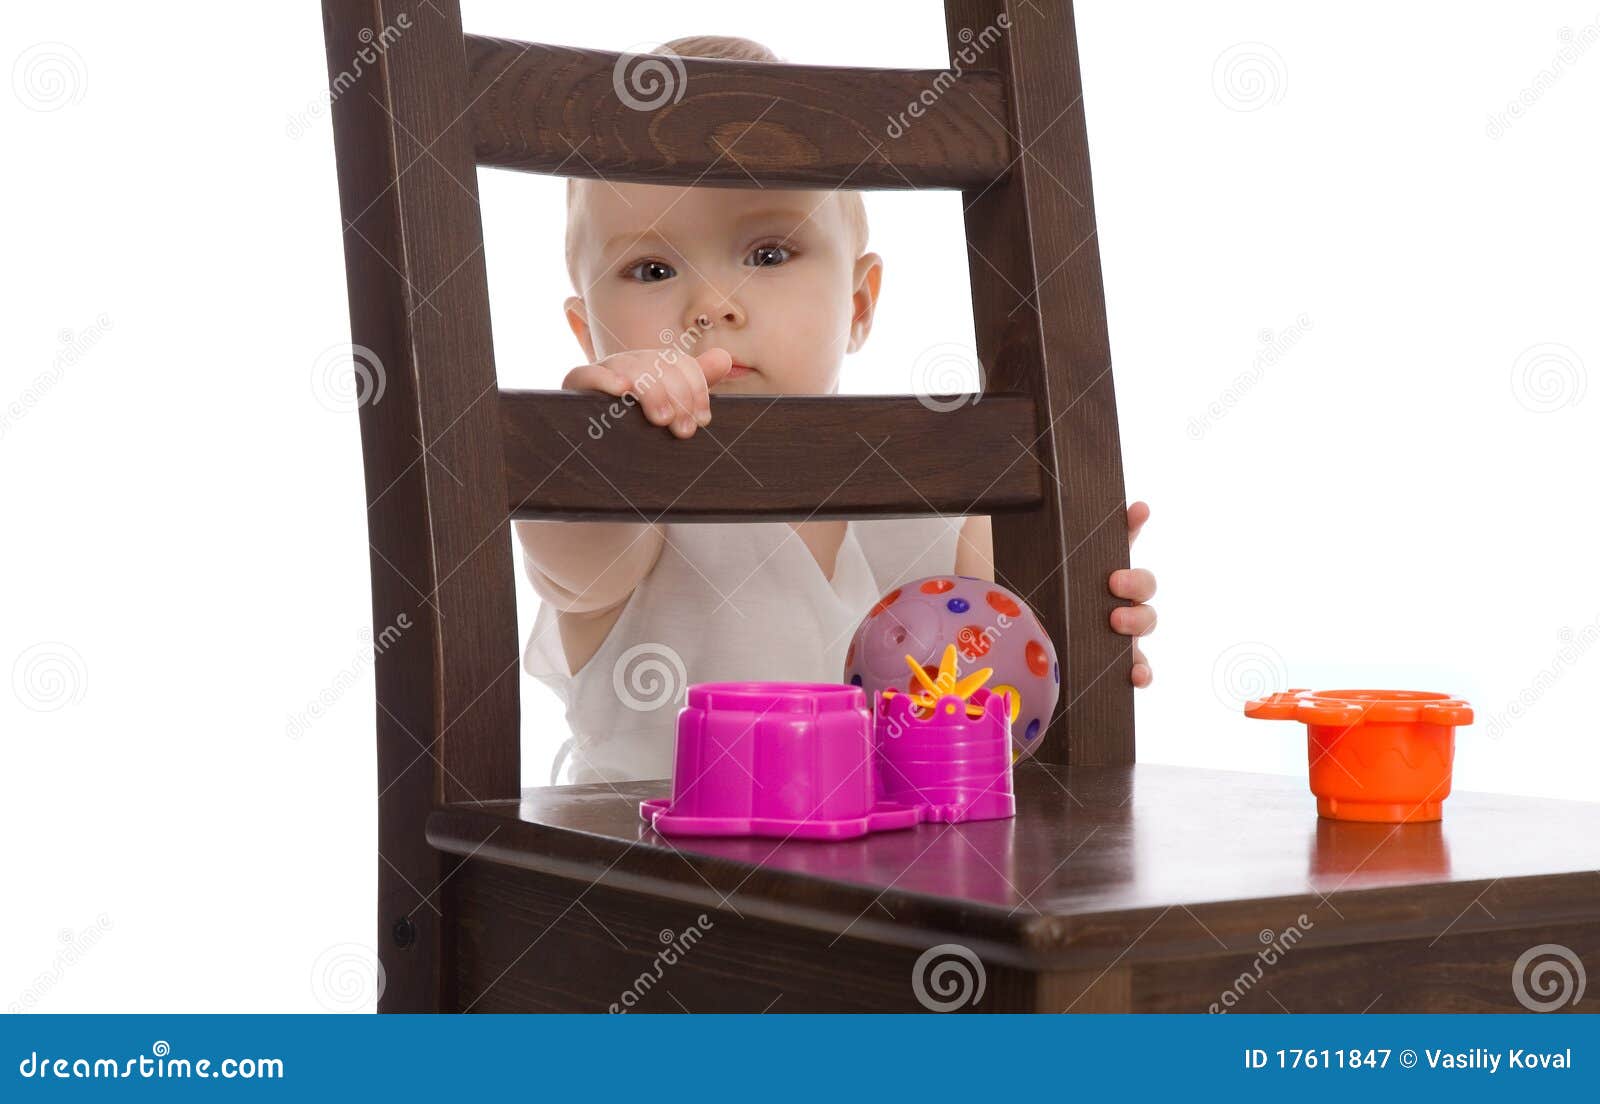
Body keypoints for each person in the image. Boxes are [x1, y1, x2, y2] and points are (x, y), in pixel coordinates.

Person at [516, 35, 1157, 785]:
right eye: (651, 269)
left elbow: (1008, 698)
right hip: (657, 884)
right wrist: (596, 431)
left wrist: (1081, 625)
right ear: (588, 329)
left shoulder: (940, 496)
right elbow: (567, 543)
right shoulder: (633, 503)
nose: (712, 306)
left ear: (857, 304)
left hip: (897, 885)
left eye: (768, 254)